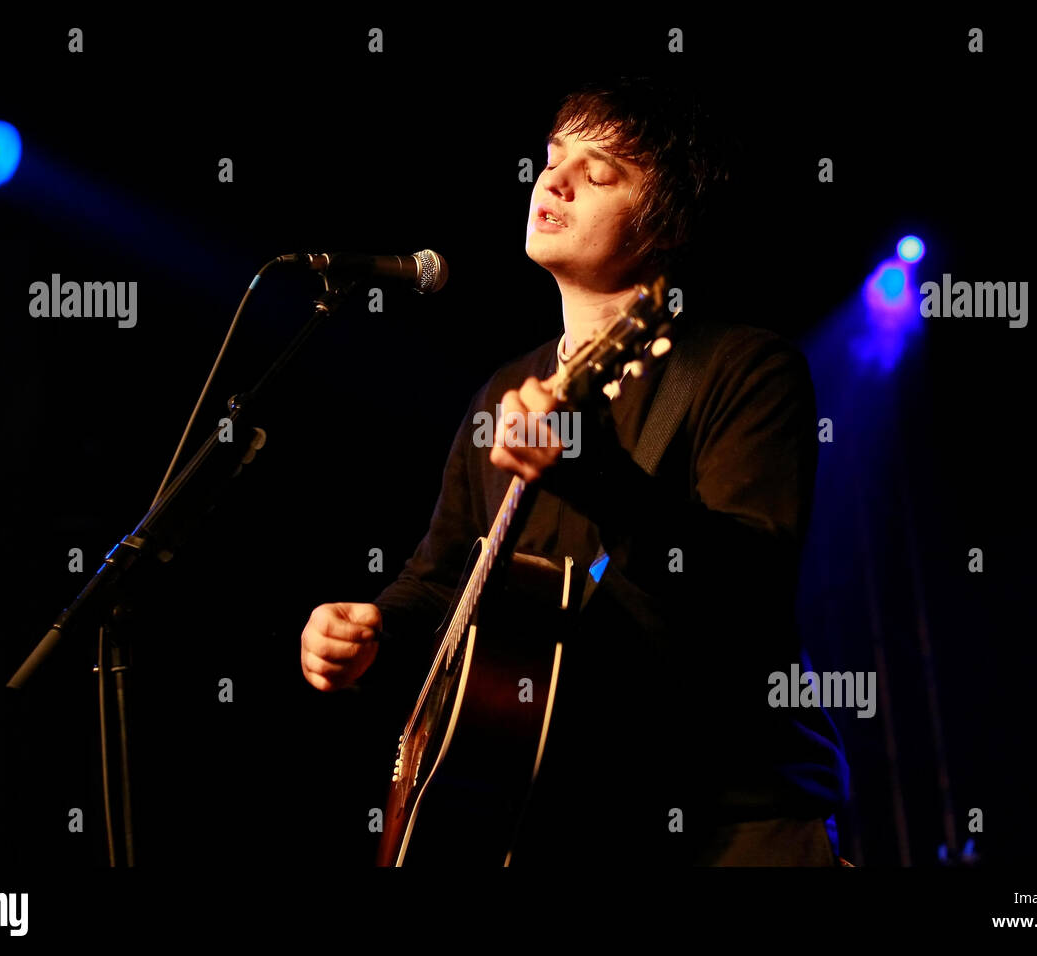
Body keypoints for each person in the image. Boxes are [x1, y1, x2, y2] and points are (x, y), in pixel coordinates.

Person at [300, 76, 850, 865]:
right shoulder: (501, 390)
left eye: (597, 173)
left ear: (666, 222)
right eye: (552, 159)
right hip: (563, 817)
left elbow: (747, 585)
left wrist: (591, 473)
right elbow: (443, 575)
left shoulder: (742, 368)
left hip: (727, 820)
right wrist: (370, 630)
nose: (552, 181)